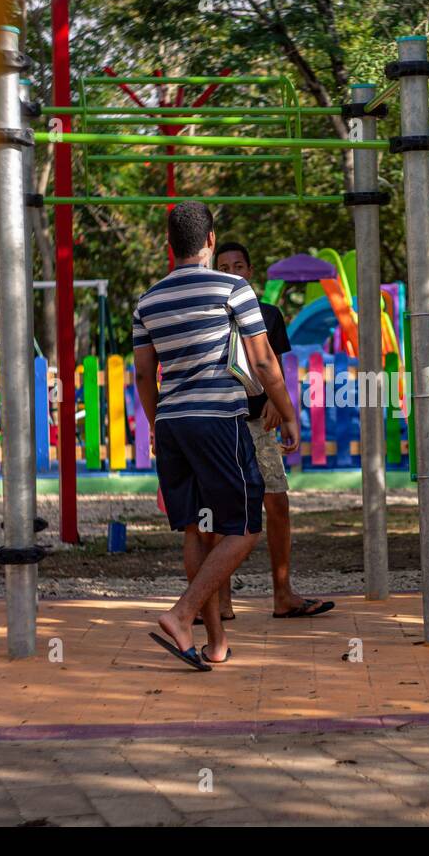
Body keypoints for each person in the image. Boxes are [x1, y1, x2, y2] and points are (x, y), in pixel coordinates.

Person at [133, 202, 300, 671]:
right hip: (218, 421)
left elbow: (145, 376)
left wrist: (157, 422)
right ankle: (182, 613)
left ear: (171, 245)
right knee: (245, 528)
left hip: (171, 424)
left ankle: (217, 642)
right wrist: (287, 413)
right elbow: (264, 362)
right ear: (210, 240)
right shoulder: (233, 288)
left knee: (196, 527)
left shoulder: (148, 300)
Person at [203, 241, 334, 621]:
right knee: (222, 512)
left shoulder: (268, 315)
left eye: (238, 265)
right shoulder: (210, 317)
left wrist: (281, 403)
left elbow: (276, 366)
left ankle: (282, 592)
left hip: (259, 424)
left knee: (276, 501)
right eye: (223, 266)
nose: (231, 271)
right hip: (221, 423)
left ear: (250, 271)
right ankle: (221, 599)